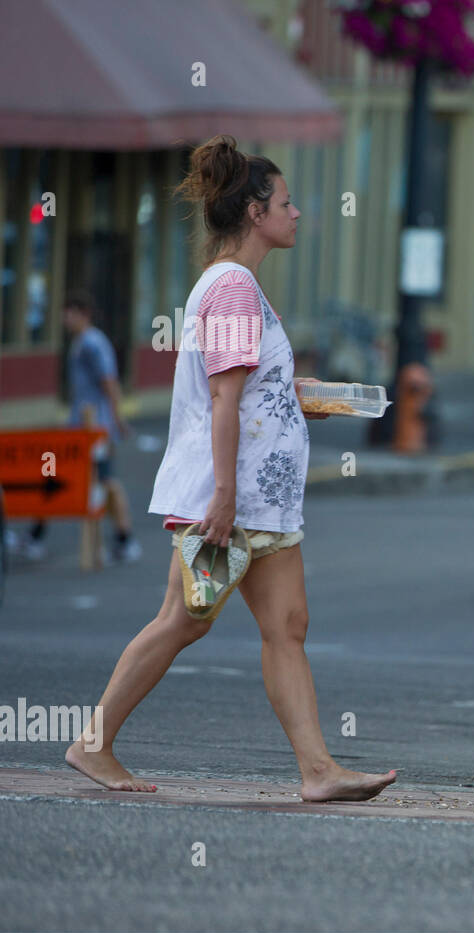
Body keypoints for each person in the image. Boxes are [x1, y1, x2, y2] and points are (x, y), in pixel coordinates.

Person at [64, 135, 397, 802]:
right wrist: (221, 497)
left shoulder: (236, 287)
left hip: (261, 503)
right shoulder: (233, 289)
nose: (296, 213)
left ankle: (318, 771)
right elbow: (221, 399)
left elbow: (245, 392)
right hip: (231, 503)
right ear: (254, 212)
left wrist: (304, 400)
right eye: (286, 202)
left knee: (287, 626)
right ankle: (92, 745)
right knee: (184, 619)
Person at [20, 292, 140, 563]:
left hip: (94, 428)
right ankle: (36, 534)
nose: (65, 319)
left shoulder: (93, 344)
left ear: (83, 313)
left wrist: (116, 421)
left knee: (103, 481)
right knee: (54, 474)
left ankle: (125, 538)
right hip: (79, 427)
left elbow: (109, 382)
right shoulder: (81, 343)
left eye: (69, 312)